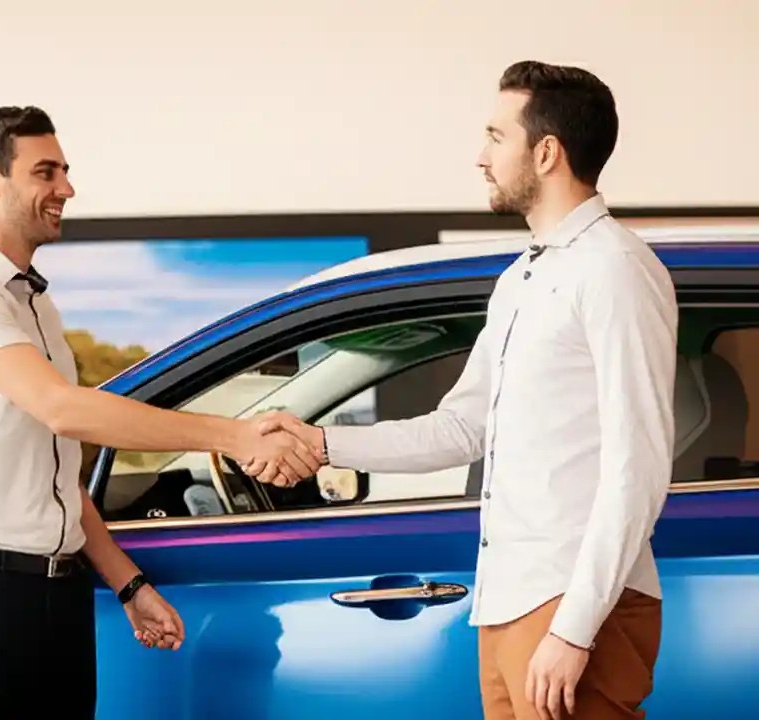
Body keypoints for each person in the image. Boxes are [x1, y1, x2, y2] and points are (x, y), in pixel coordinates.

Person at [251, 61, 676, 720]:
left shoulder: (616, 270)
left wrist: (573, 627)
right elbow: (460, 429)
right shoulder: (522, 280)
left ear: (545, 151)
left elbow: (639, 465)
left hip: (573, 604)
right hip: (508, 600)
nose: (481, 157)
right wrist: (322, 443)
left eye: (495, 136)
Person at [0, 105, 323, 719]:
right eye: (45, 172)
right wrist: (234, 436)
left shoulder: (37, 307)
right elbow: (63, 411)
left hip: (58, 596)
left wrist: (129, 585)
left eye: (65, 172)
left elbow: (60, 480)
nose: (66, 189)